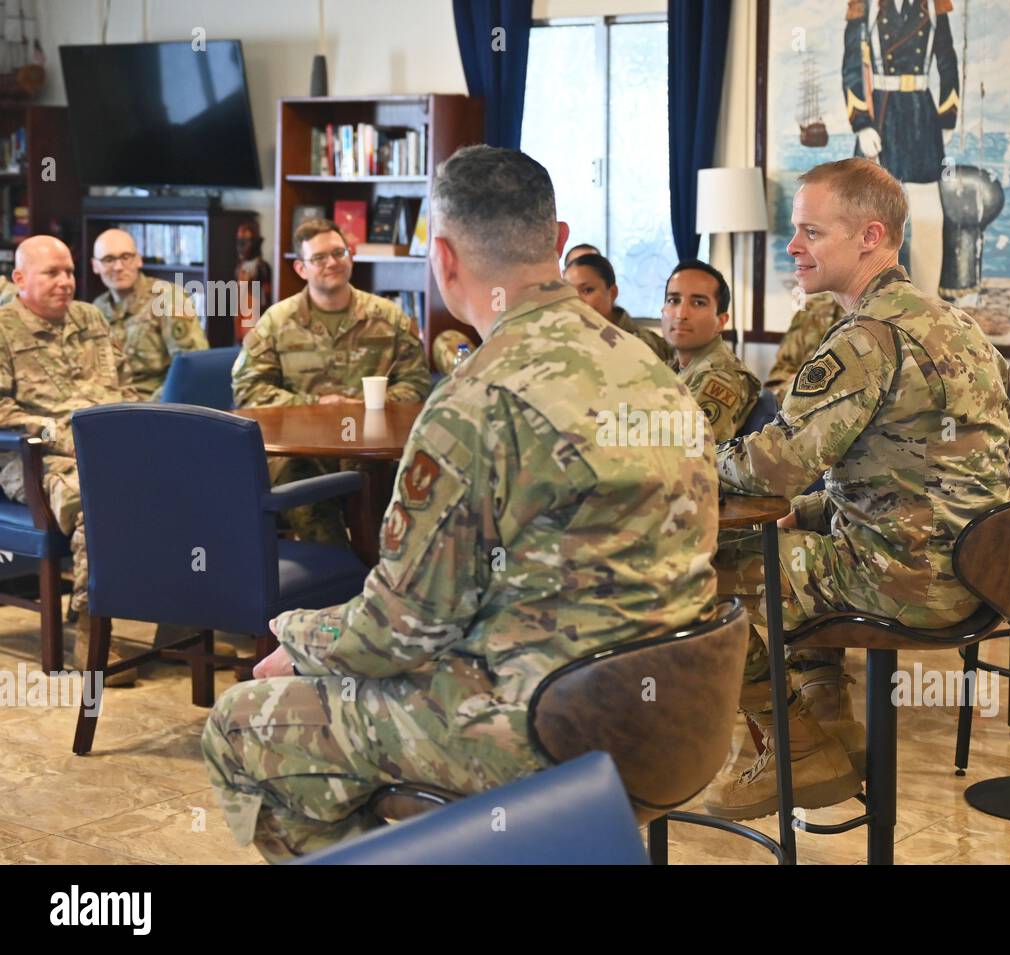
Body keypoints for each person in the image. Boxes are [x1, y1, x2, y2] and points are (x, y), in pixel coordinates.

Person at [202, 145, 719, 862]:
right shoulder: (654, 367)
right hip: (672, 720)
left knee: (239, 723)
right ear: (558, 240)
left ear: (442, 259)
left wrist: (298, 638)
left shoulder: (476, 400)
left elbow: (398, 630)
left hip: (544, 729)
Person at [703, 157, 1010, 820]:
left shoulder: (867, 338)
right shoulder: (951, 321)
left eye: (811, 232)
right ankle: (828, 721)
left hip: (907, 579)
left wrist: (702, 459)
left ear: (870, 237)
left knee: (693, 575)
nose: (793, 247)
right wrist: (809, 511)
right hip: (972, 567)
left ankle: (795, 745)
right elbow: (923, 473)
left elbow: (775, 465)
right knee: (796, 527)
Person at [231, 218, 432, 543]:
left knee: (397, 493)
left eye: (339, 253)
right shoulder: (276, 322)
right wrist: (316, 406)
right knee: (308, 502)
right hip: (299, 453)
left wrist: (365, 406)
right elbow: (249, 389)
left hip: (373, 450)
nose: (332, 263)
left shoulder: (389, 318)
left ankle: (382, 570)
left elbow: (418, 385)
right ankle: (341, 577)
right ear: (301, 268)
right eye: (319, 258)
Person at [0, 236, 139, 685]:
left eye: (70, 272)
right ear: (20, 279)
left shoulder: (90, 317)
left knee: (186, 484)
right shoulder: (3, 328)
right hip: (32, 458)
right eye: (51, 273)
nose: (65, 282)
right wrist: (58, 434)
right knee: (96, 500)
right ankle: (94, 628)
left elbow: (127, 386)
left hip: (111, 446)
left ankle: (180, 618)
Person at [842, 0, 960, 296]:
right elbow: (852, 64)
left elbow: (947, 60)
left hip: (921, 113)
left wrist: (947, 118)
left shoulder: (933, 6)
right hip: (882, 115)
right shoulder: (865, 6)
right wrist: (862, 124)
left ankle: (929, 303)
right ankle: (876, 299)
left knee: (928, 217)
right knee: (872, 216)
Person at [90, 228, 209, 401]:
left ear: (138, 260)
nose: (118, 267)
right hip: (107, 405)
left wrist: (154, 407)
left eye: (126, 257)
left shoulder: (168, 299)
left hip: (155, 406)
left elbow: (193, 367)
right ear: (95, 265)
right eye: (108, 259)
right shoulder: (96, 309)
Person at [662, 259, 759, 443]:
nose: (681, 314)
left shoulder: (721, 377)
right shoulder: (677, 365)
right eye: (673, 300)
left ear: (721, 321)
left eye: (698, 303)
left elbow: (684, 450)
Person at [564, 252, 674, 364]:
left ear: (612, 292)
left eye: (587, 290)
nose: (576, 300)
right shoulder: (562, 337)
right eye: (569, 292)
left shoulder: (640, 344)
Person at [764, 292, 845, 403]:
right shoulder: (814, 308)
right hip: (795, 410)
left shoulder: (873, 314)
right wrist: (793, 386)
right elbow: (782, 371)